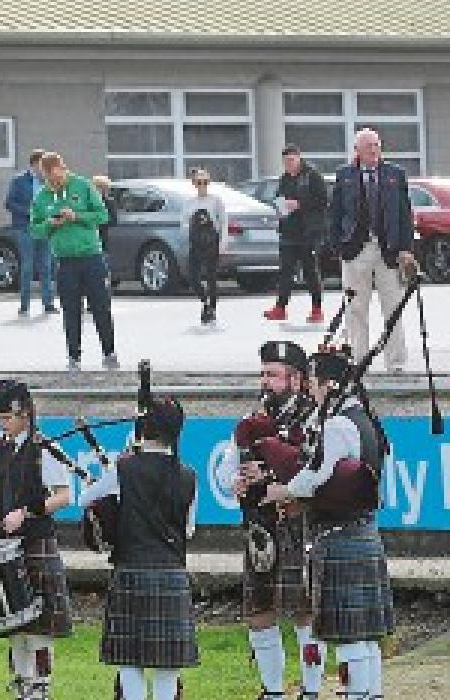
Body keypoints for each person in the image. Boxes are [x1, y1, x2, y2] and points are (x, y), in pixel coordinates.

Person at [263, 347, 394, 700]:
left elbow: (319, 474)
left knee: (350, 637)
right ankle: (371, 695)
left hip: (339, 534)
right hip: (367, 530)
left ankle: (356, 696)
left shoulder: (338, 424)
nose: (312, 392)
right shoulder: (368, 419)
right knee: (366, 635)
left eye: (316, 384)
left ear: (331, 384)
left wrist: (284, 490)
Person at [216, 341, 324, 699]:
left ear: (296, 379)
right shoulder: (250, 422)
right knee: (260, 611)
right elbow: (224, 471)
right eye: (263, 374)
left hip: (298, 524)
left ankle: (310, 691)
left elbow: (318, 471)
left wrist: (277, 480)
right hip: (260, 528)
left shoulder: (315, 417)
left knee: (305, 612)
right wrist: (236, 480)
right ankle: (274, 691)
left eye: (273, 375)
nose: (265, 382)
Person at [79, 396, 198, 700]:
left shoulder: (124, 468)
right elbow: (188, 530)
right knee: (167, 669)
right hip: (172, 574)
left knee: (130, 664)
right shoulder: (189, 476)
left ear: (142, 428)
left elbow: (86, 499)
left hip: (131, 571)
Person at [0, 380, 74, 699]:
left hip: (35, 544)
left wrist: (26, 512)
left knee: (39, 627)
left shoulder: (44, 448)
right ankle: (21, 684)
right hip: (2, 546)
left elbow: (64, 496)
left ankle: (40, 686)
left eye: (7, 418)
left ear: (26, 414)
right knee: (14, 625)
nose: (2, 425)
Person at [328, 128, 417, 373]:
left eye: (377, 145)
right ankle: (358, 361)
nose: (374, 150)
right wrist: (336, 245)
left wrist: (407, 248)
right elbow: (334, 213)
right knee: (356, 308)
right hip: (356, 251)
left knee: (393, 306)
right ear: (356, 150)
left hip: (388, 250)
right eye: (368, 146)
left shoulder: (394, 174)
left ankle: (396, 362)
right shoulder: (344, 175)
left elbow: (405, 214)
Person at [29, 153, 118, 371]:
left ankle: (109, 352)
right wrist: (50, 223)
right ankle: (74, 356)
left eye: (56, 177)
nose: (54, 182)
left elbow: (103, 215)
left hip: (91, 256)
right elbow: (34, 229)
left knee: (101, 306)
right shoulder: (42, 197)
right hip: (65, 261)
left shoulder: (82, 185)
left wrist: (77, 216)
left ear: (62, 168)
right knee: (70, 310)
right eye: (48, 179)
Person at [265, 146, 328, 323]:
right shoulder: (284, 178)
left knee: (310, 272)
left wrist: (300, 204)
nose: (289, 165)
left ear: (299, 159)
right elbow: (279, 197)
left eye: (292, 161)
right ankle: (280, 308)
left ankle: (317, 309)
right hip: (288, 231)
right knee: (285, 271)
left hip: (308, 232)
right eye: (286, 162)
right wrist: (280, 206)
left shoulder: (312, 176)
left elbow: (323, 200)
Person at [6, 150, 56, 317]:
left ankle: (48, 303)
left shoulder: (48, 181)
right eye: (42, 164)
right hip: (24, 228)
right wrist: (28, 212)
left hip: (44, 227)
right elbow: (9, 203)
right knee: (27, 266)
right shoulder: (19, 180)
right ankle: (24, 304)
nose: (45, 168)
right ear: (34, 164)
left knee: (46, 266)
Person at [181, 168, 227, 326]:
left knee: (211, 277)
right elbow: (183, 223)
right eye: (199, 182)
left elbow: (223, 222)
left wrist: (222, 243)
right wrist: (188, 232)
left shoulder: (216, 200)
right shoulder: (189, 203)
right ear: (194, 184)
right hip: (196, 244)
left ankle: (211, 308)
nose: (202, 185)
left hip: (211, 243)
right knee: (193, 277)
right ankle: (204, 300)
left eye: (205, 182)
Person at [92, 175, 117, 254]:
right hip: (89, 239)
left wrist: (98, 220)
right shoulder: (89, 202)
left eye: (98, 187)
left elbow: (113, 220)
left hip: (102, 238)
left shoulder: (109, 202)